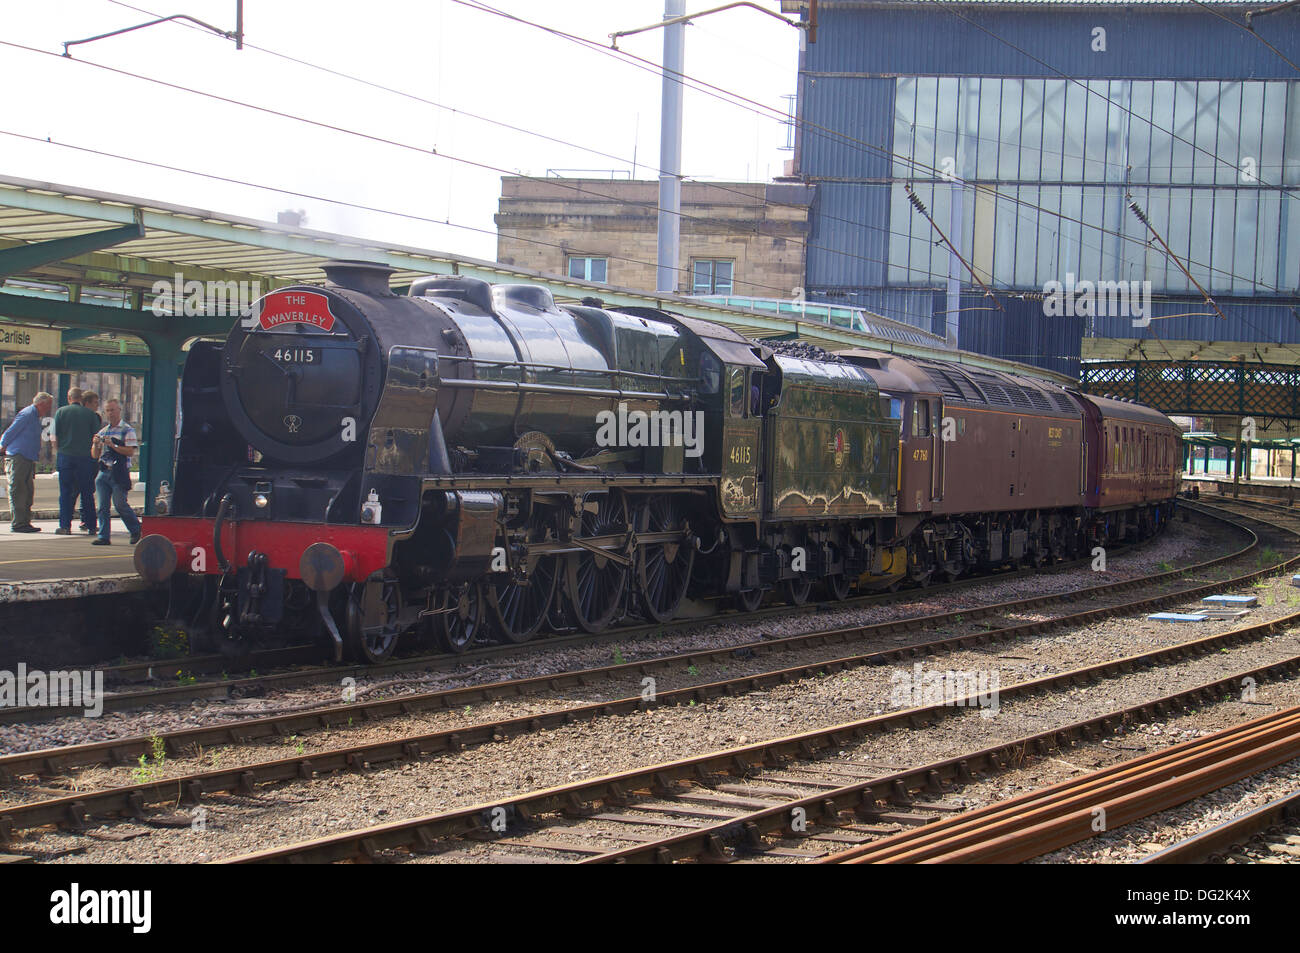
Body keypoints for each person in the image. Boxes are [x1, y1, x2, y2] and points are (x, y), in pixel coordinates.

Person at [0, 392, 54, 533]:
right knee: (18, 490)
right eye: (48, 405)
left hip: (27, 458)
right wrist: (2, 445)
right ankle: (18, 523)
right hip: (19, 457)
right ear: (41, 404)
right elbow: (11, 431)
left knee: (27, 491)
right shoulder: (28, 414)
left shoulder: (34, 416)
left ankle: (24, 521)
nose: (49, 409)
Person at [90, 399, 141, 546]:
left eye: (113, 410)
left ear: (119, 410)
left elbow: (130, 452)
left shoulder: (127, 430)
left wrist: (113, 445)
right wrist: (95, 444)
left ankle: (135, 528)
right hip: (104, 470)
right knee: (102, 506)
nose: (110, 414)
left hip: (119, 472)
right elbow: (94, 455)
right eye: (108, 411)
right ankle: (103, 536)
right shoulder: (103, 431)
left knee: (120, 504)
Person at [51, 387, 99, 536]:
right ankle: (91, 525)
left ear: (69, 397)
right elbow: (96, 439)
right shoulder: (91, 415)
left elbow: (54, 437)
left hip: (66, 456)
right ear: (81, 398)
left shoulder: (60, 412)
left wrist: (59, 451)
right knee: (87, 492)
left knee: (65, 492)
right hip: (85, 458)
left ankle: (65, 526)